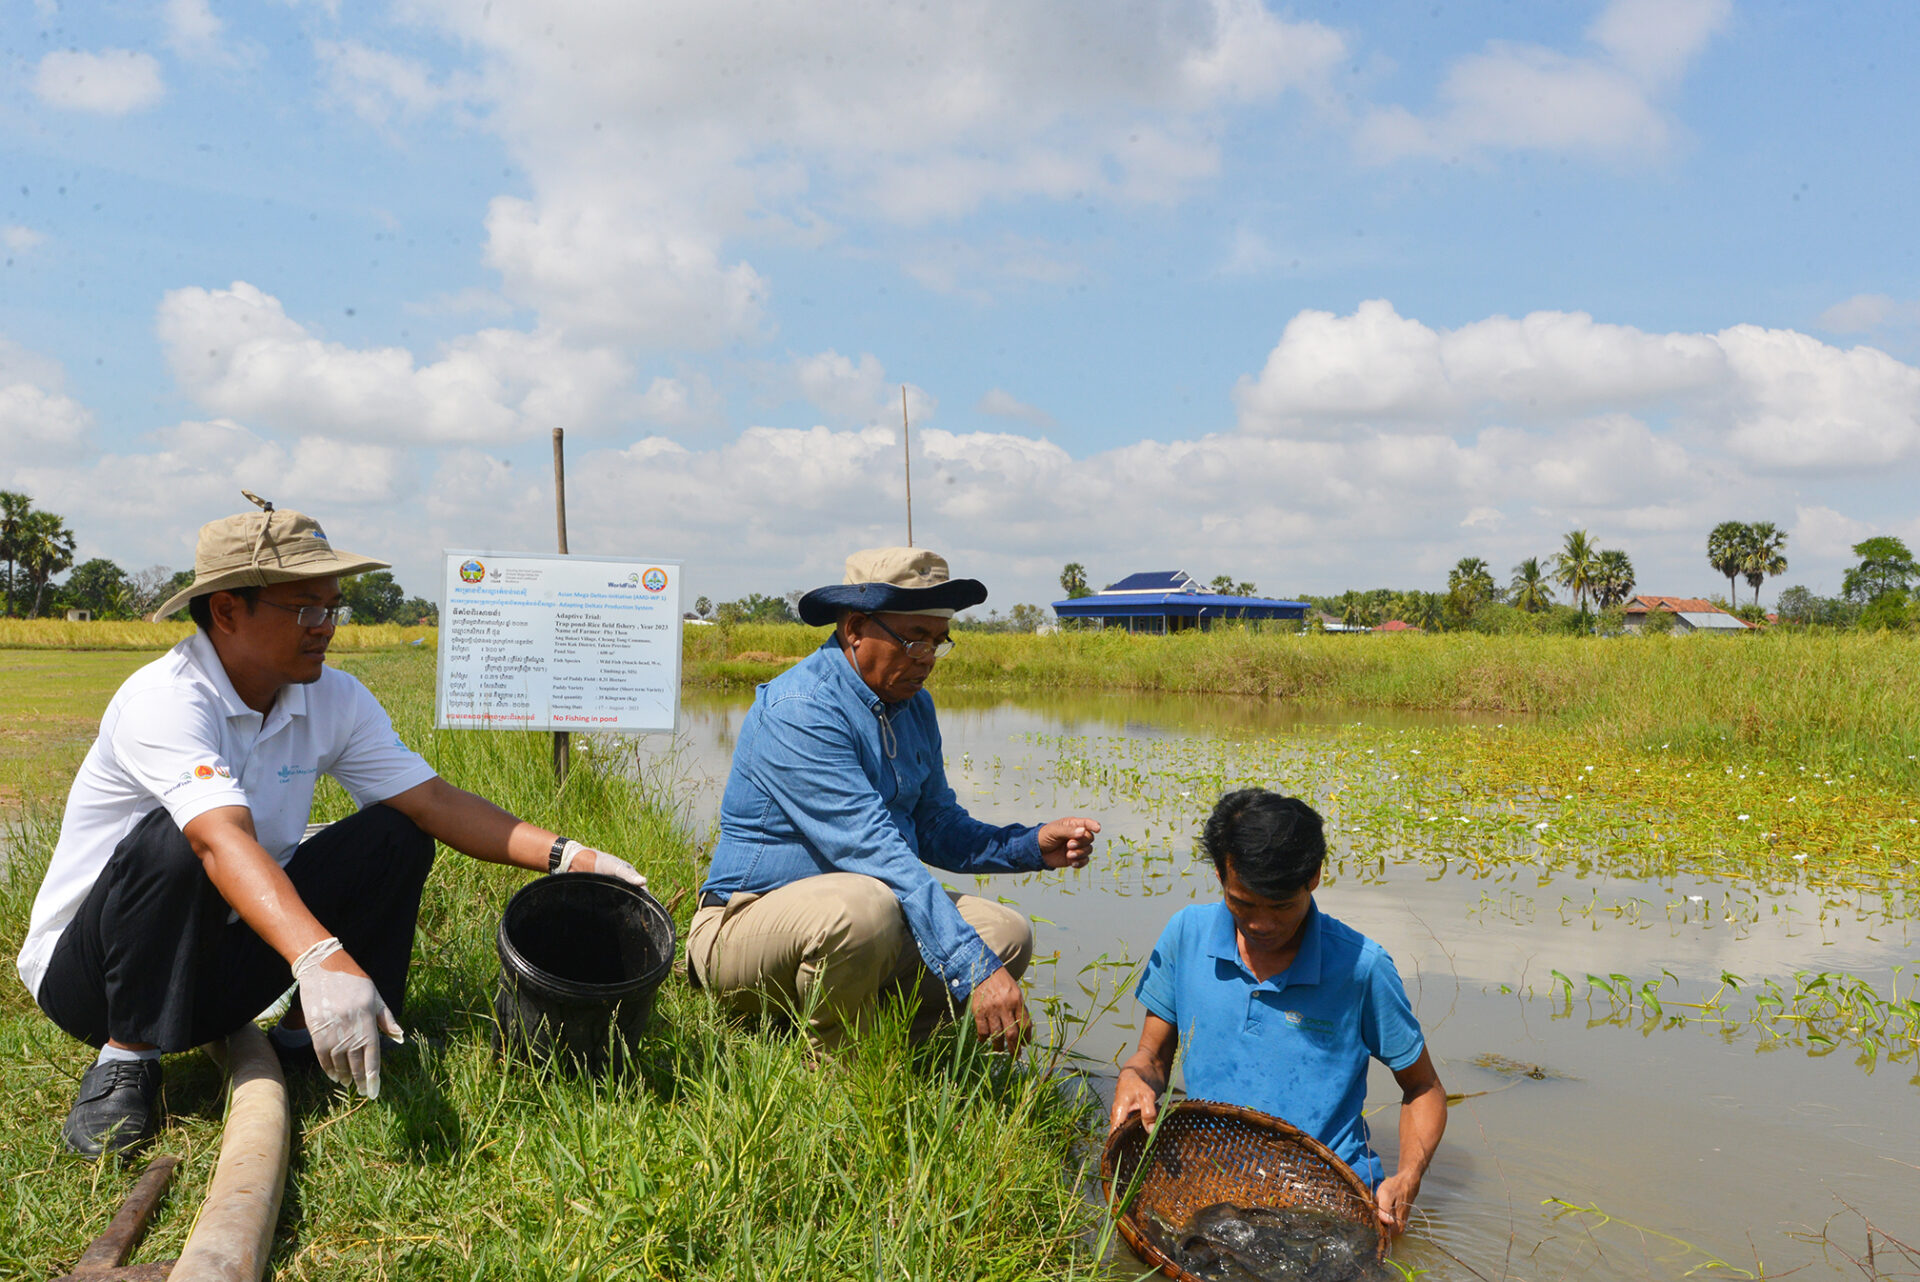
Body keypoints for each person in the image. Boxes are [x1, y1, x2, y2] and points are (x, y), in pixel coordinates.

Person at [17, 494, 646, 1158]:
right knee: (182, 838)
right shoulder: (166, 699)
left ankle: (316, 1039)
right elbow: (218, 838)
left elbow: (431, 799)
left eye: (333, 608)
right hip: (98, 978)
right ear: (228, 611)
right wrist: (318, 956)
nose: (327, 627)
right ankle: (127, 1062)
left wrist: (572, 857)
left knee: (395, 833)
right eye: (306, 609)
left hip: (220, 959)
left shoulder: (333, 697)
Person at [687, 547, 1099, 1052]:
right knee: (863, 908)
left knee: (1005, 932)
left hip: (859, 923)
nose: (926, 657)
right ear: (855, 628)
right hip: (743, 928)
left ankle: (897, 1056)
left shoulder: (912, 706)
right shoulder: (801, 709)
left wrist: (1029, 845)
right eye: (914, 639)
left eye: (938, 641)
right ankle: (836, 1072)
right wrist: (973, 968)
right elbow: (873, 851)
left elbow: (936, 826)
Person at [1109, 788, 1445, 1237]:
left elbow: (1423, 1087)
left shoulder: (1362, 967)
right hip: (1211, 1185)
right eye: (1242, 903)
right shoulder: (1186, 935)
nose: (1262, 924)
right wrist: (1133, 1078)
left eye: (1282, 905)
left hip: (1327, 1201)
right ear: (1220, 875)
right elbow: (1152, 1057)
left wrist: (1408, 1176)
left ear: (1314, 878)